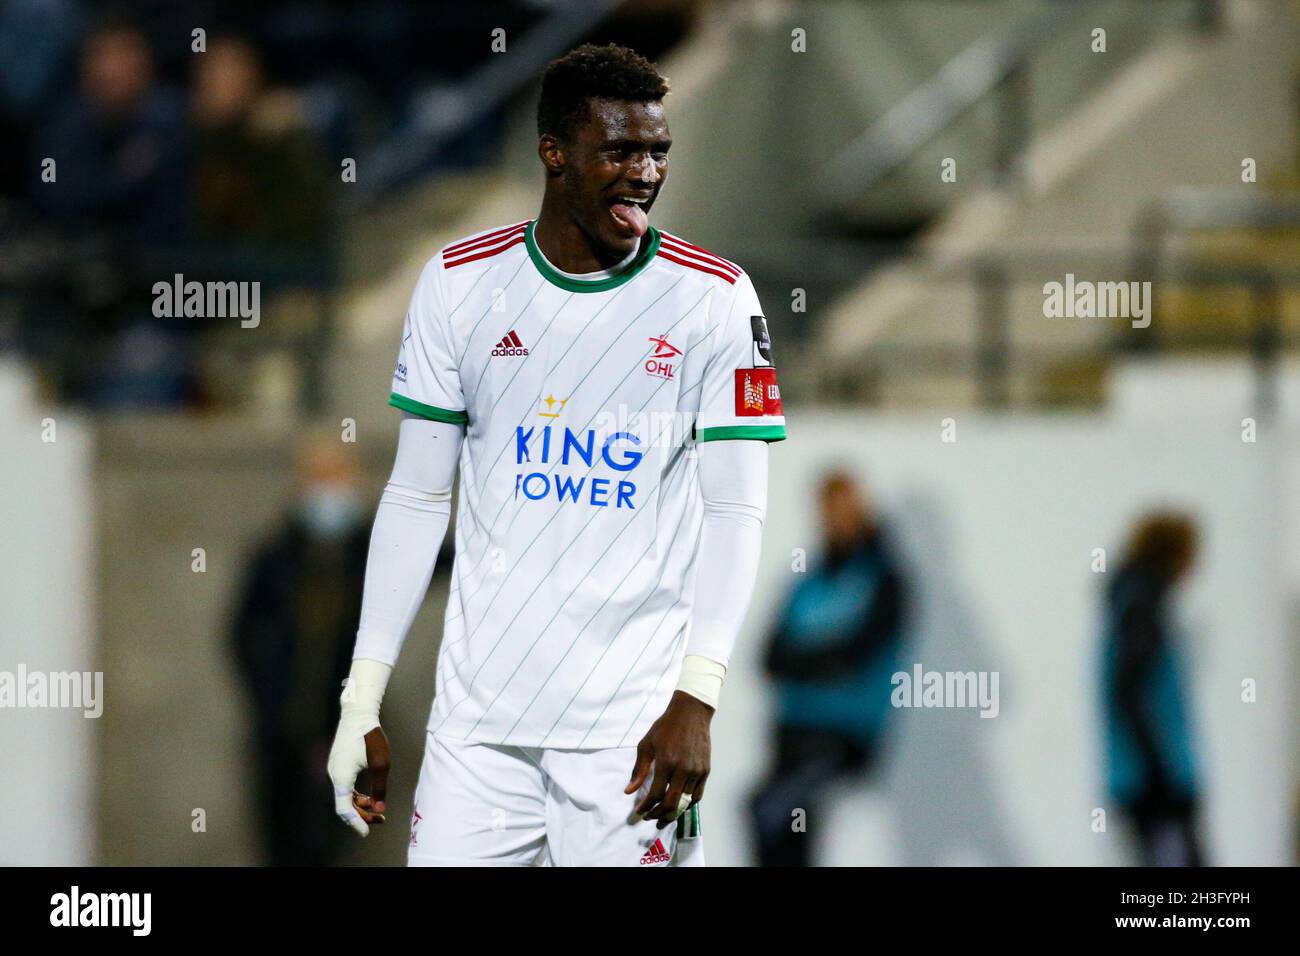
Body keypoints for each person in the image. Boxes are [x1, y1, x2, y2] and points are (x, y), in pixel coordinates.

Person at [327, 43, 786, 866]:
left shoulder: (714, 300)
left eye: (658, 152)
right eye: (620, 151)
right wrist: (362, 695)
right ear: (555, 154)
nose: (645, 171)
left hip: (632, 734)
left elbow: (736, 510)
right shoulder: (460, 284)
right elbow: (417, 497)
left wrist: (699, 698)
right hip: (477, 734)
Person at [749, 471, 906, 866]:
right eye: (827, 507)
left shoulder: (882, 578)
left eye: (845, 505)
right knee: (766, 810)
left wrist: (806, 658)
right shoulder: (808, 579)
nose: (835, 517)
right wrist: (819, 658)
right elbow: (769, 658)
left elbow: (854, 659)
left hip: (843, 738)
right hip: (791, 737)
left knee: (778, 809)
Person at [233, 433, 370, 866]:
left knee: (335, 843)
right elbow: (241, 632)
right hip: (283, 734)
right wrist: (269, 695)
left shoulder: (367, 555)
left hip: (346, 730)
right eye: (319, 479)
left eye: (337, 478)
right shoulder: (276, 558)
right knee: (284, 842)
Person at [1100, 510, 1204, 866]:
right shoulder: (1143, 602)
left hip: (1142, 775)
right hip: (1155, 780)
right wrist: (1161, 775)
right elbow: (1128, 691)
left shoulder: (1131, 598)